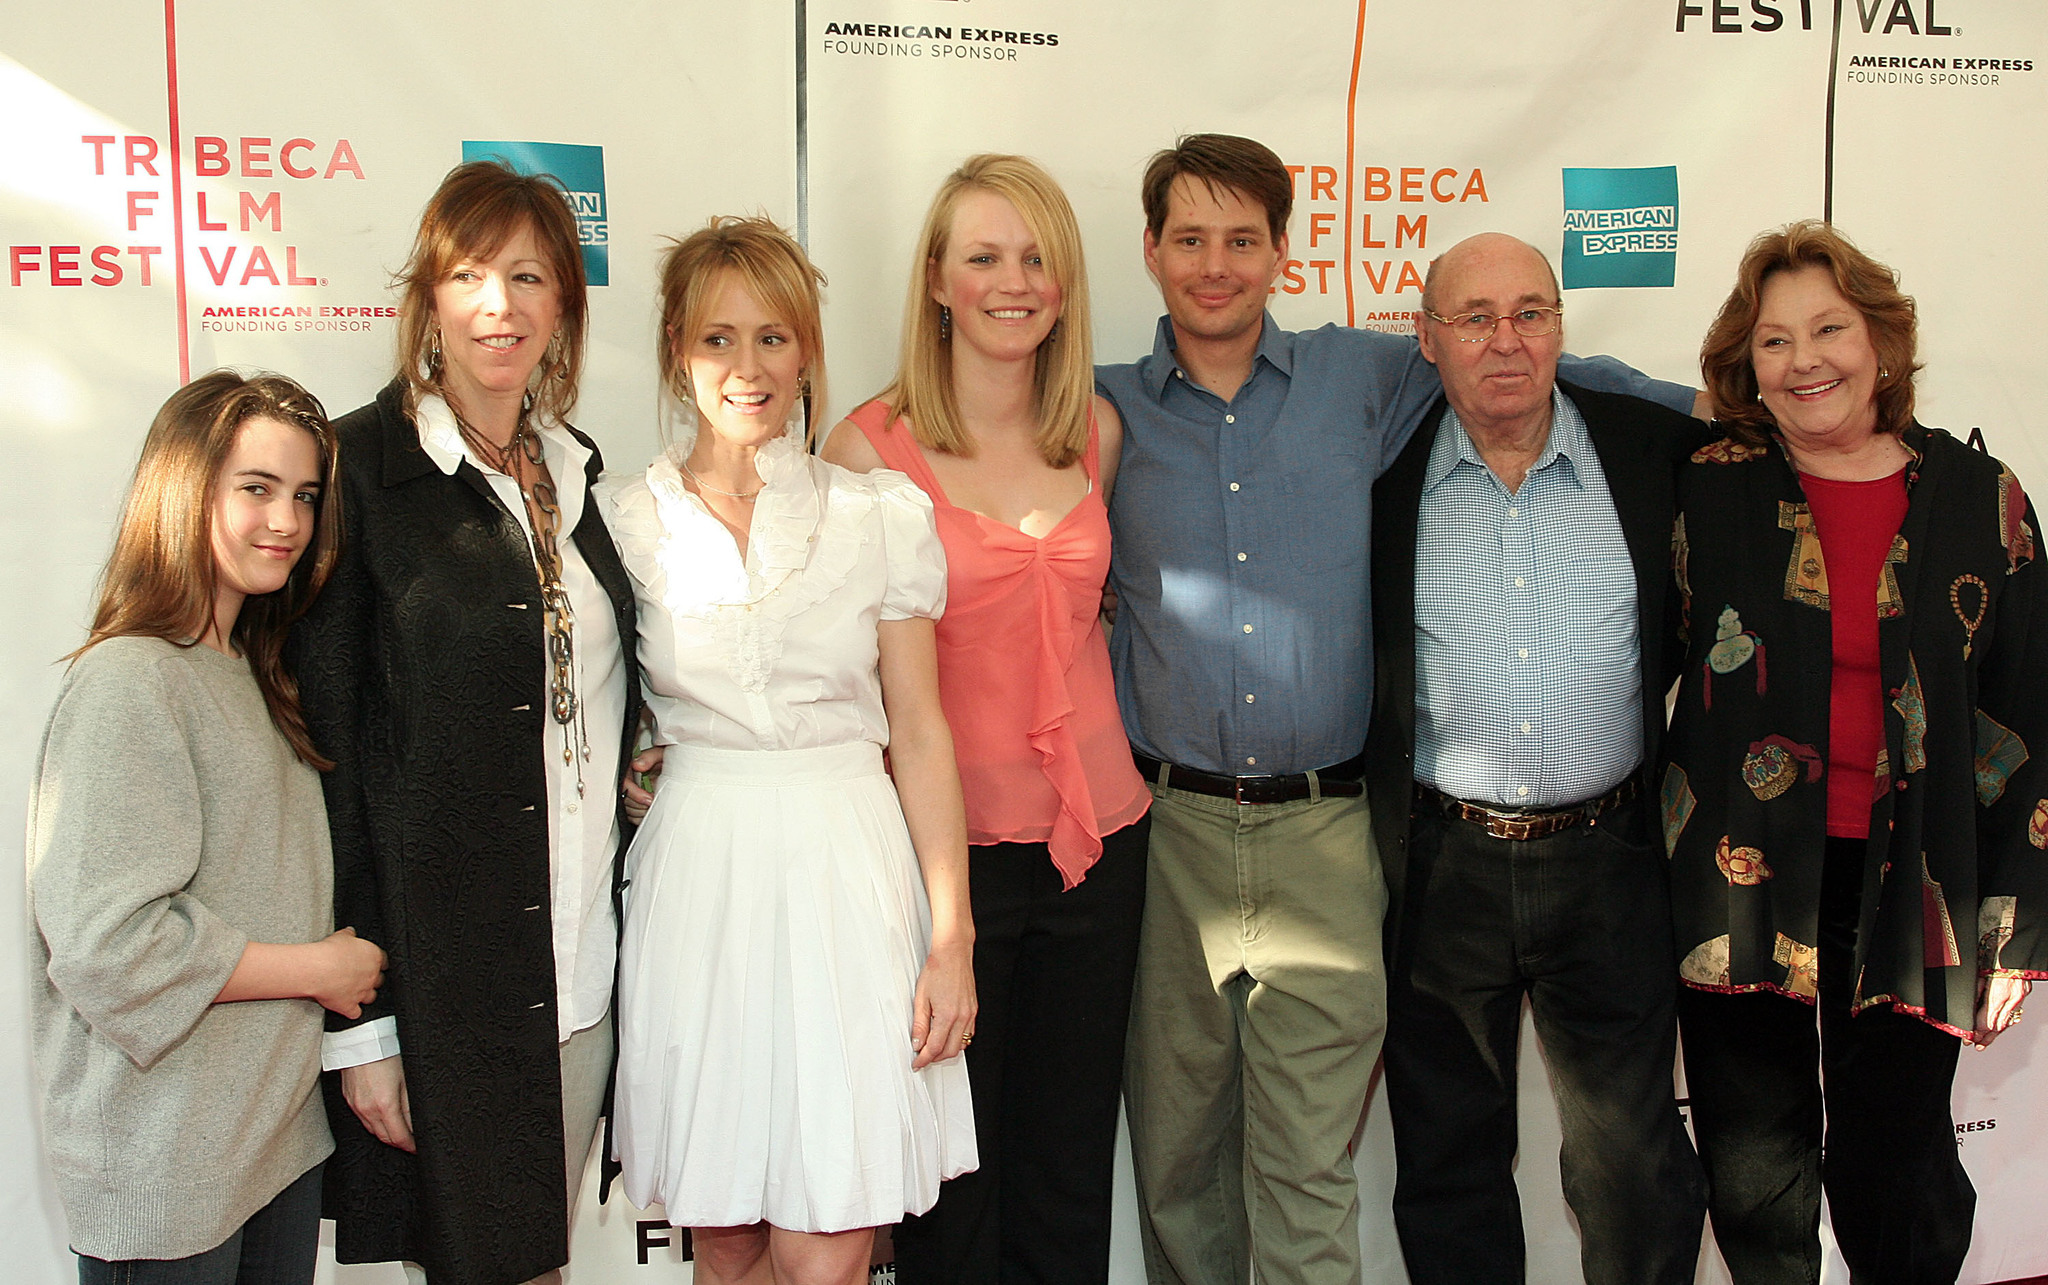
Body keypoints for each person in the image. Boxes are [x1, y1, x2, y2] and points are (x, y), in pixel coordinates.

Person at [1096, 133, 1704, 1285]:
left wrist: (1753, 395)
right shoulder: (1106, 410)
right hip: (1215, 832)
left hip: (1401, 836)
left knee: (1339, 1158)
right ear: (1150, 251)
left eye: (1241, 238)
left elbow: (1561, 377)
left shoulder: (1365, 377)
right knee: (1208, 1154)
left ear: (1284, 250)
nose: (1215, 264)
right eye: (1189, 239)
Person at [1666, 220, 2046, 1283]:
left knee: (1894, 1164)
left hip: (1916, 877)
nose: (1803, 361)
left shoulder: (1984, 500)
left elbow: (2028, 715)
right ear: (1747, 364)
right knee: (1751, 1174)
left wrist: (2010, 924)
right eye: (1773, 341)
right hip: (1737, 878)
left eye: (1826, 329)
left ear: (1879, 339)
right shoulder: (1706, 488)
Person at [603, 215, 976, 1285]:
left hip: (846, 871)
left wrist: (949, 937)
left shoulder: (877, 516)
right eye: (718, 339)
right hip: (699, 875)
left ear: (807, 348)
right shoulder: (624, 520)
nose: (747, 366)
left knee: (831, 1233)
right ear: (678, 347)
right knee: (722, 1232)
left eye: (773, 337)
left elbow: (921, 730)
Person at [290, 161, 641, 1285]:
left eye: (530, 275)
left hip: (583, 969)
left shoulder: (577, 474)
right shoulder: (359, 472)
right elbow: (329, 766)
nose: (502, 303)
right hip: (448, 987)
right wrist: (365, 1030)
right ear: (428, 299)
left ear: (564, 306)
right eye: (472, 273)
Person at [823, 154, 1151, 1283]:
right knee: (948, 1192)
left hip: (1095, 853)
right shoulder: (865, 451)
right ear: (934, 280)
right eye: (982, 257)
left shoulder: (1096, 432)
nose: (1012, 282)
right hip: (938, 867)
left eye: (1035, 259)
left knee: (1064, 1174)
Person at [1361, 233, 1706, 1285]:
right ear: (1424, 339)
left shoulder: (1652, 454)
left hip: (1607, 855)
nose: (1504, 341)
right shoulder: (1377, 478)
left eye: (1530, 313)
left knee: (1632, 1168)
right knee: (1447, 1164)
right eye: (1473, 318)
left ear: (1560, 327)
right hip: (1440, 866)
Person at [27, 370, 386, 1284]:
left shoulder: (258, 674)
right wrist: (319, 968)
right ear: (185, 489)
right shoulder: (130, 681)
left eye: (304, 496)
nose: (288, 522)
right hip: (163, 1160)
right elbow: (110, 946)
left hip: (268, 1146)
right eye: (257, 489)